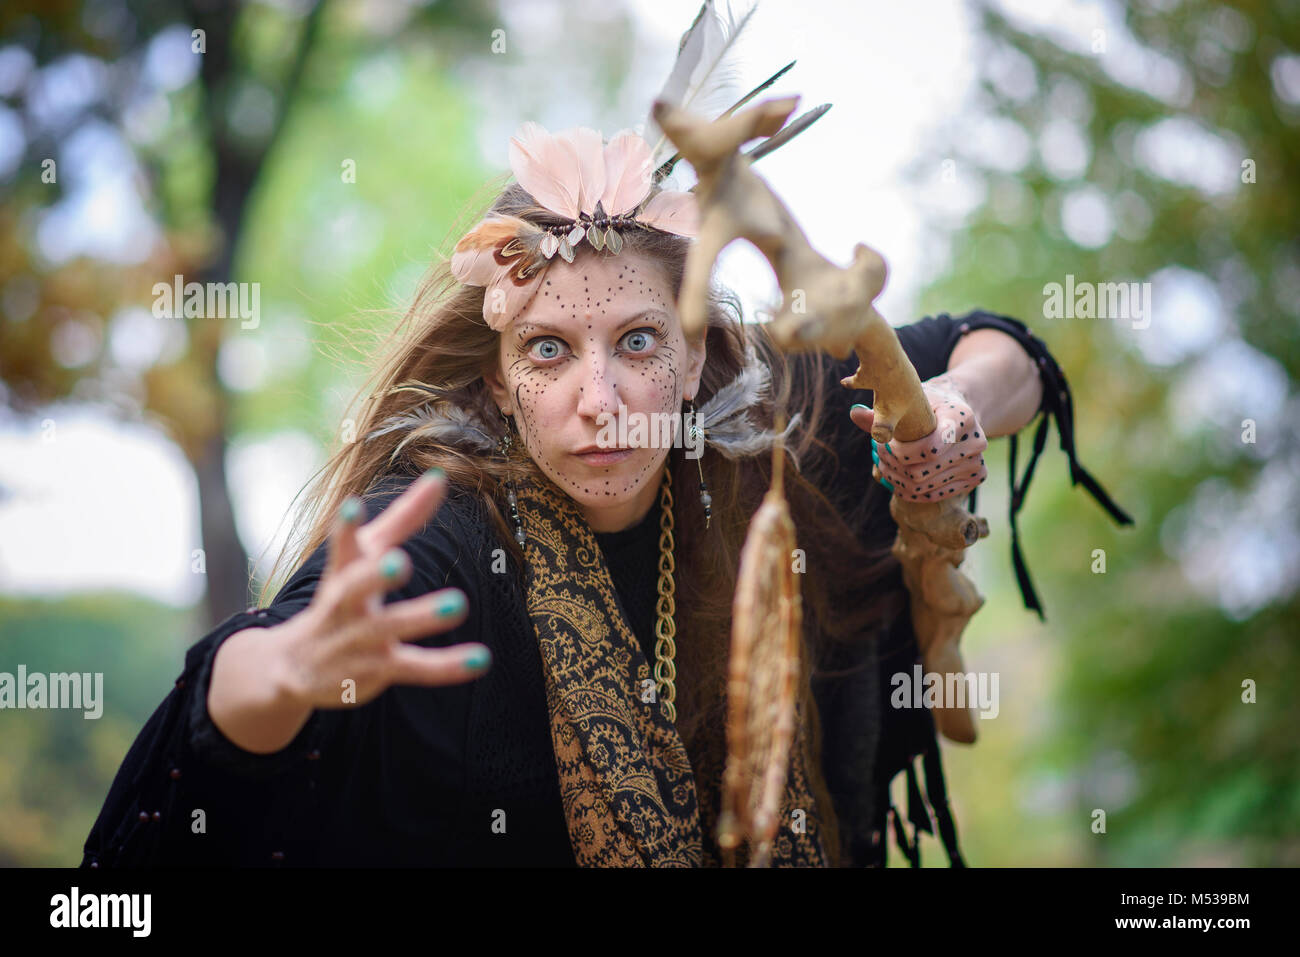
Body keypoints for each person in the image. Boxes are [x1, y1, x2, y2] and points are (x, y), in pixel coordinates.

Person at [81, 116, 1124, 868]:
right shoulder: (438, 533)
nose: (604, 400)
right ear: (498, 379)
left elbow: (1008, 353)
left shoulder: (772, 412)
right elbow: (230, 721)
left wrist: (942, 407)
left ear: (693, 352)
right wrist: (284, 672)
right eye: (548, 350)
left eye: (637, 342)